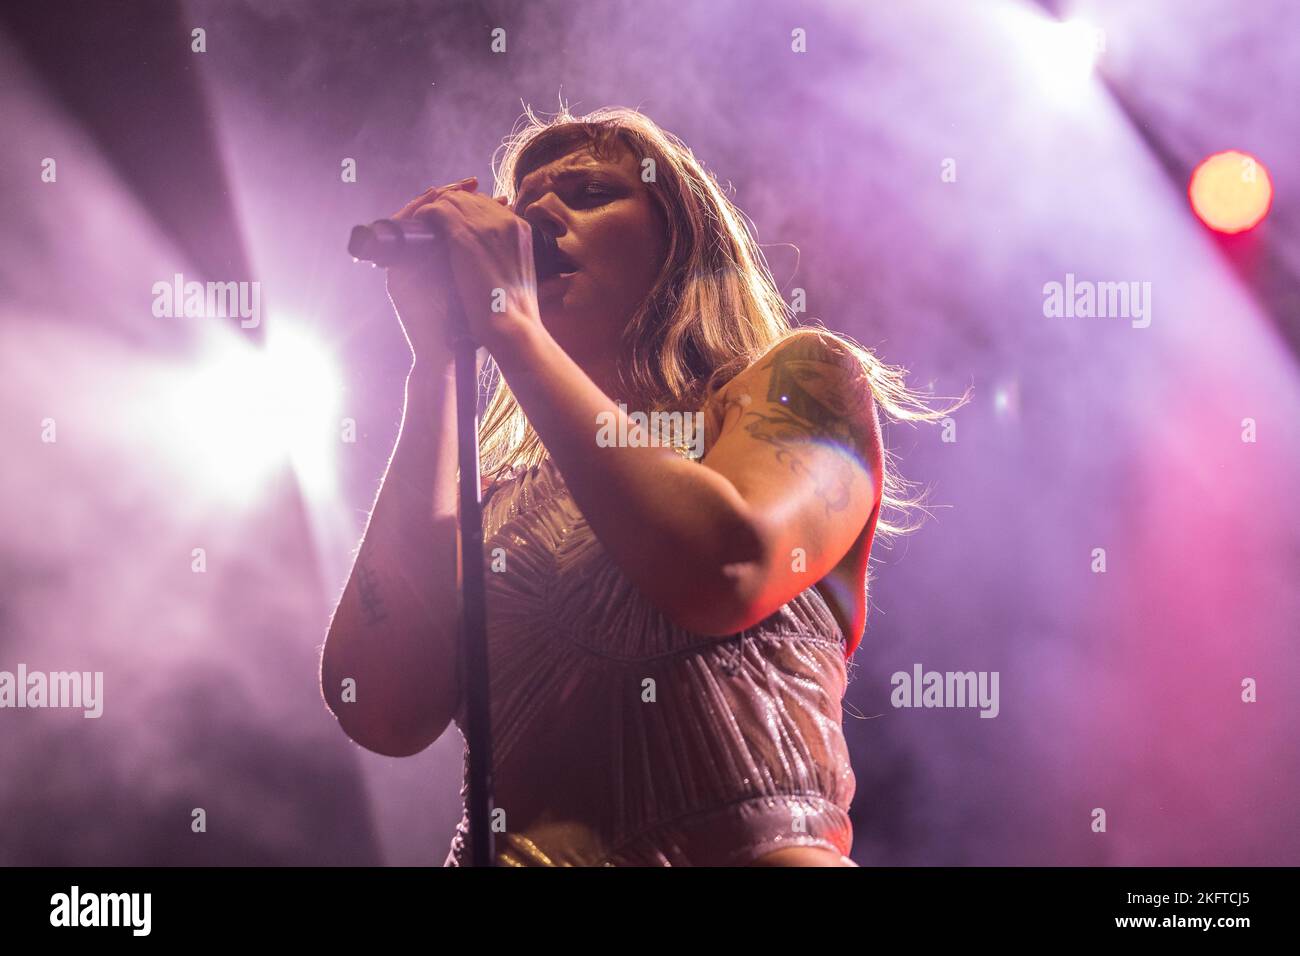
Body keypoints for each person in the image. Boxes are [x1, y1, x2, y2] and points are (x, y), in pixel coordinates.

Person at [320, 106, 964, 866]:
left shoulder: (803, 380)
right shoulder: (490, 508)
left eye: (589, 192)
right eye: (524, 210)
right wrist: (439, 363)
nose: (541, 216)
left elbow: (726, 563)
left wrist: (517, 333)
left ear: (679, 244)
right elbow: (380, 708)